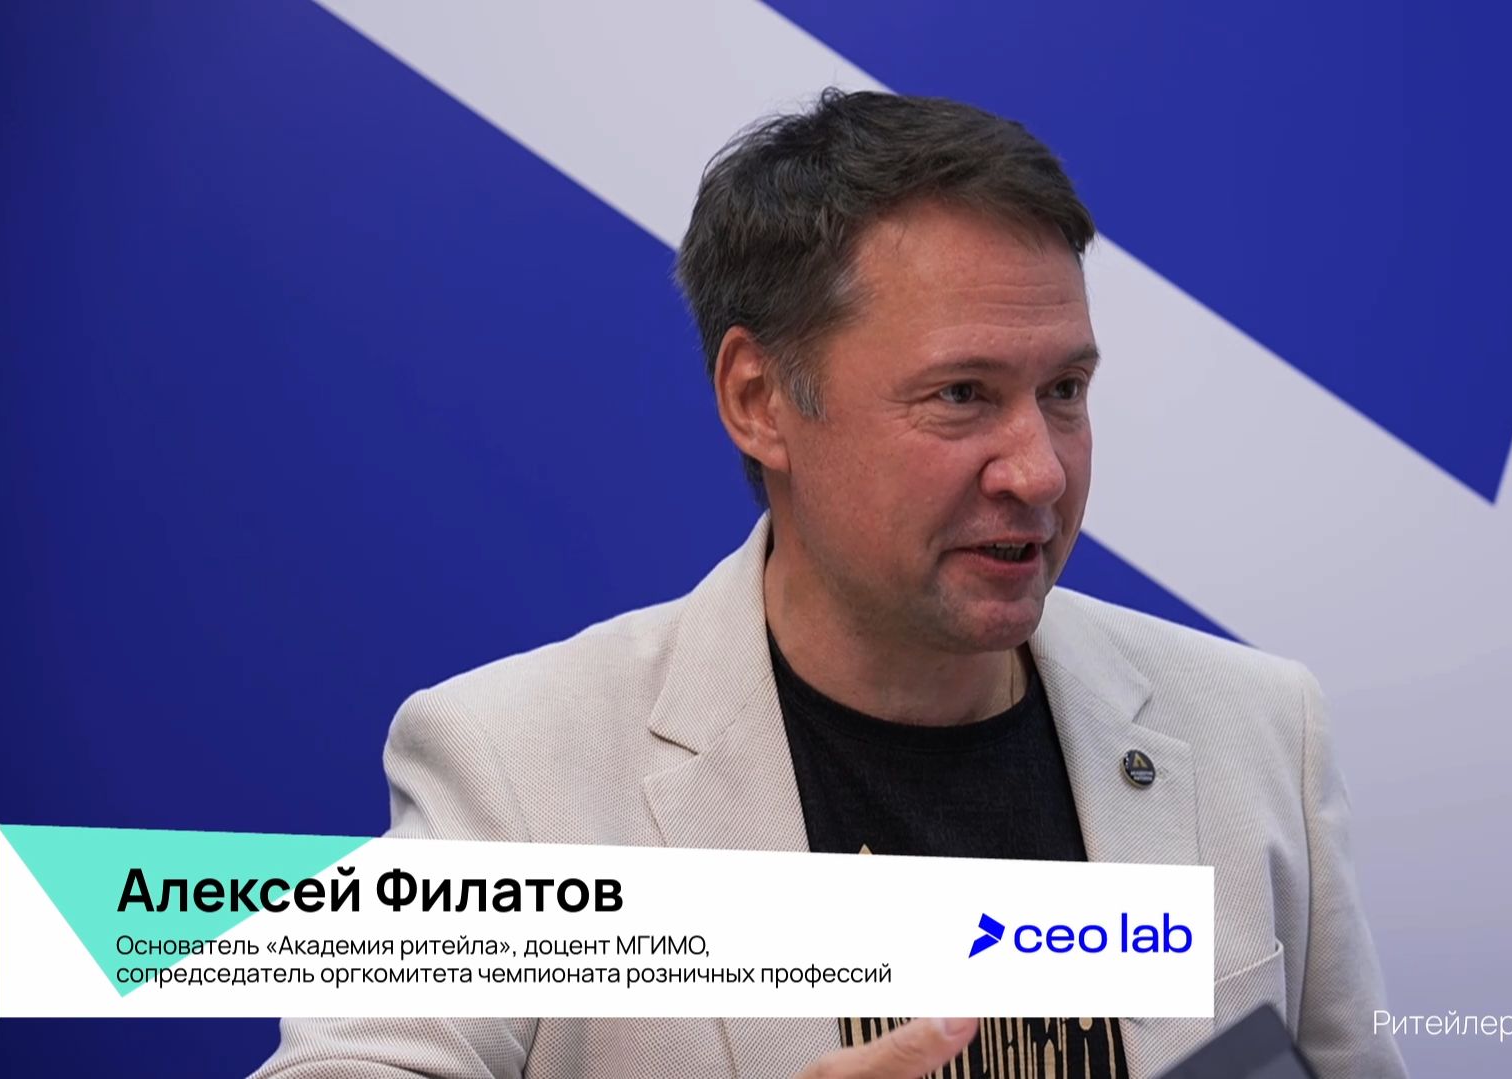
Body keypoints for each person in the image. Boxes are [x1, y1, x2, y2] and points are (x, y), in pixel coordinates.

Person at [253, 88, 1407, 1079]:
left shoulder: (1259, 726)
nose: (1040, 469)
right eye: (961, 395)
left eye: (1064, 389)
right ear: (759, 400)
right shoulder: (518, 766)